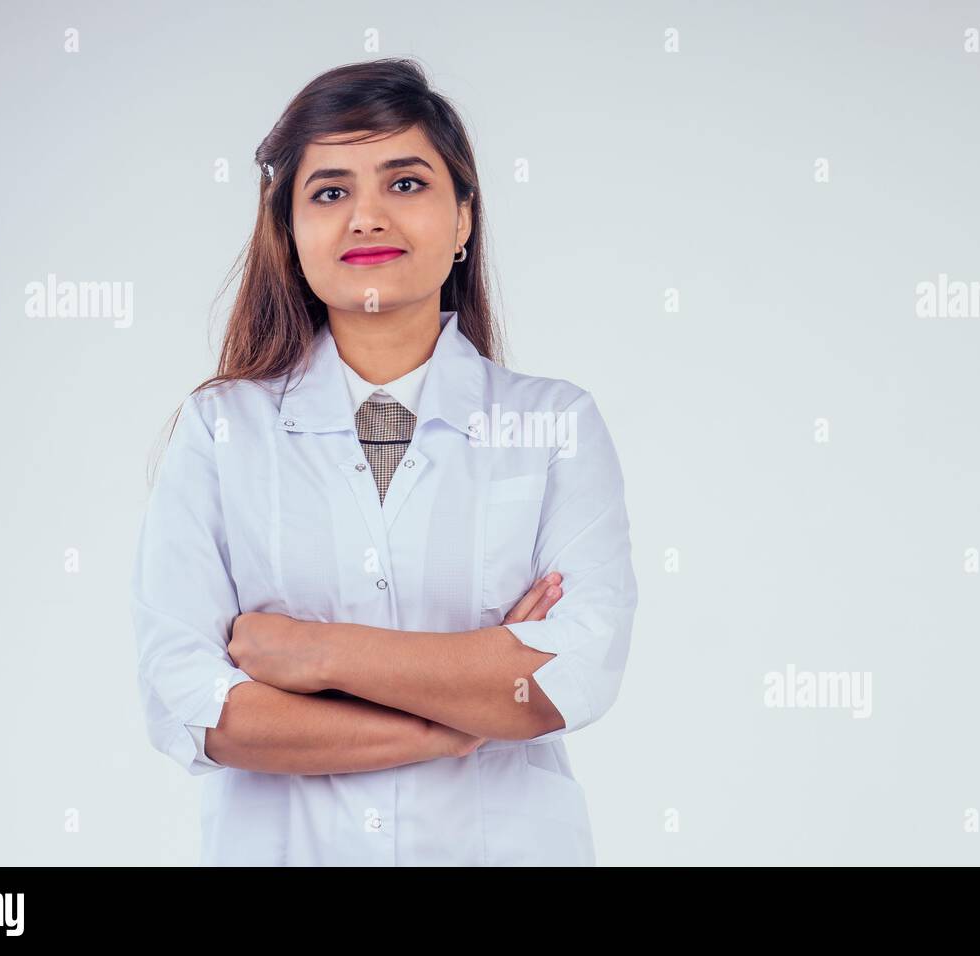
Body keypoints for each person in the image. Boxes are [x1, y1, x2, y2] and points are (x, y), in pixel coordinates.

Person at [130, 58, 637, 865]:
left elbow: (563, 680)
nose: (368, 217)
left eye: (406, 184)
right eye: (330, 192)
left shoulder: (554, 424)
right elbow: (197, 708)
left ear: (465, 217)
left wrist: (310, 653)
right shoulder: (220, 428)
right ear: (290, 234)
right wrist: (456, 718)